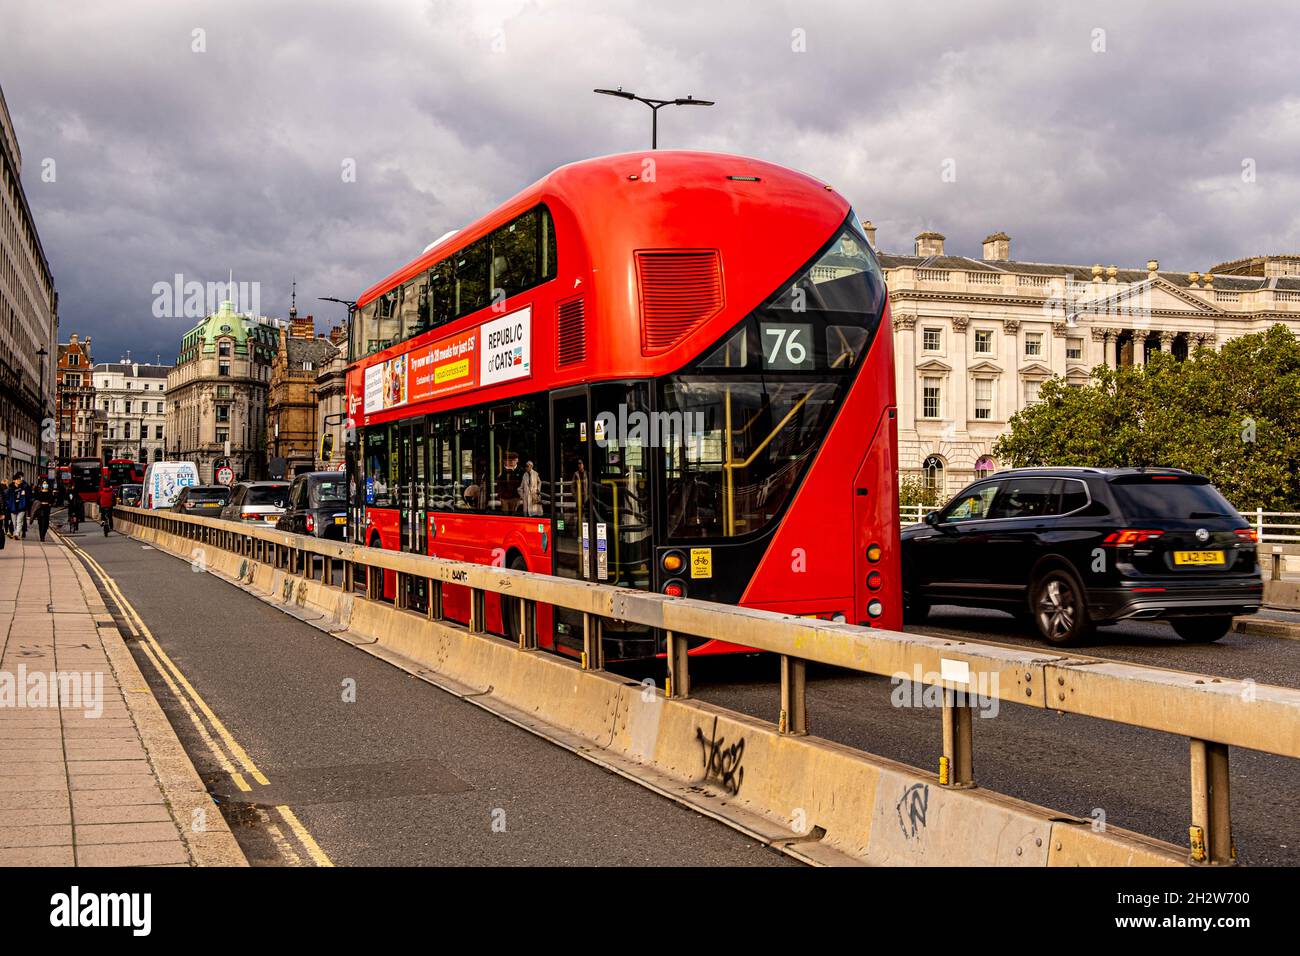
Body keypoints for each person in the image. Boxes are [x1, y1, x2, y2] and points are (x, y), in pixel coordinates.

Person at [32, 476, 55, 542]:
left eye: (46, 484)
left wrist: (49, 503)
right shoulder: (39, 492)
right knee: (40, 523)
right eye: (44, 484)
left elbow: (52, 500)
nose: (45, 485)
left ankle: (43, 534)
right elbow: (35, 499)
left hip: (47, 510)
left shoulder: (50, 492)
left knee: (46, 524)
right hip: (40, 509)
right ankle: (42, 537)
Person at [9, 474, 31, 539]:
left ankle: (17, 533)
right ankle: (16, 532)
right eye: (17, 479)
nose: (19, 480)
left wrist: (25, 504)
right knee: (14, 522)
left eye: (19, 479)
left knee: (19, 521)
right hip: (13, 507)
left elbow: (28, 497)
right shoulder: (10, 488)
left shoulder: (24, 487)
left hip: (21, 507)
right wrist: (9, 505)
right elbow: (6, 497)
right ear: (14, 481)